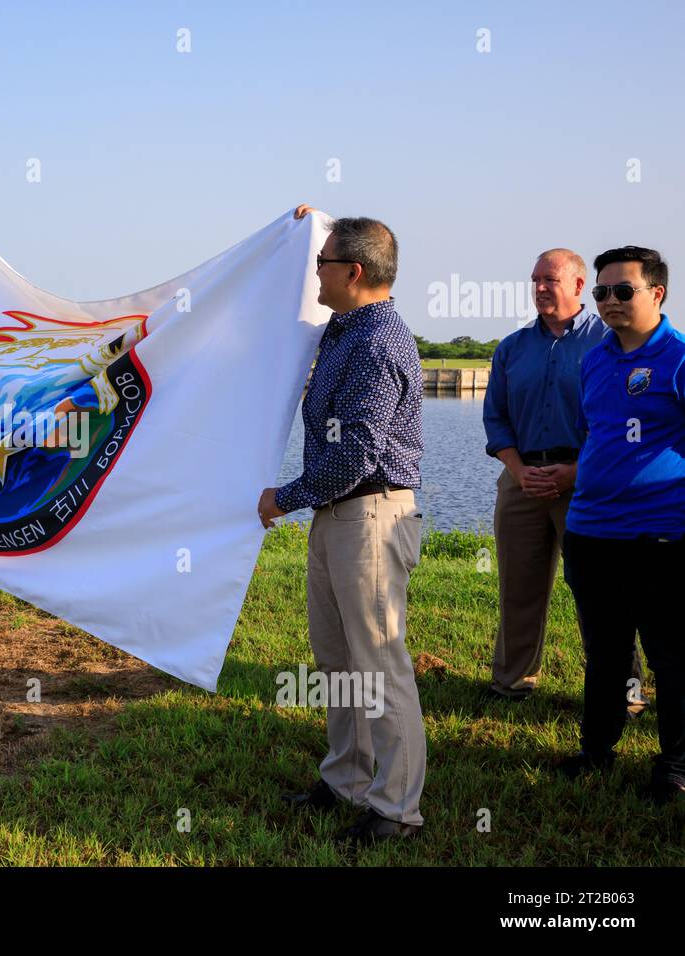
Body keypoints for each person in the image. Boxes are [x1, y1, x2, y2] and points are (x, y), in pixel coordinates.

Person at [261, 208, 426, 843]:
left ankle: (395, 809)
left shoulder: (379, 340)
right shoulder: (345, 326)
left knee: (378, 662)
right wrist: (307, 226)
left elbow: (357, 449)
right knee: (338, 660)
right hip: (340, 515)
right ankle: (347, 779)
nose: (315, 275)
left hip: (370, 513)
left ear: (353, 272)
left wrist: (287, 496)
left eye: (321, 263)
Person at [557, 246, 685, 806]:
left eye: (622, 291)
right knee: (605, 653)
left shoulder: (678, 358)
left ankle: (675, 766)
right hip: (590, 533)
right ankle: (596, 750)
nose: (608, 301)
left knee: (672, 657)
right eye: (601, 292)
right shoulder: (594, 359)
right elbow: (598, 436)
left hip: (662, 539)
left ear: (656, 293)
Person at [481, 251, 626, 702]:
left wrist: (575, 473)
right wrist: (519, 470)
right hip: (522, 478)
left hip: (590, 482)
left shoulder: (611, 342)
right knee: (518, 587)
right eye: (535, 280)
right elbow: (496, 417)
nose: (541, 288)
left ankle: (623, 691)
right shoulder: (512, 347)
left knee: (602, 592)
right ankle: (512, 682)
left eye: (551, 279)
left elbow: (623, 422)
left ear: (580, 285)